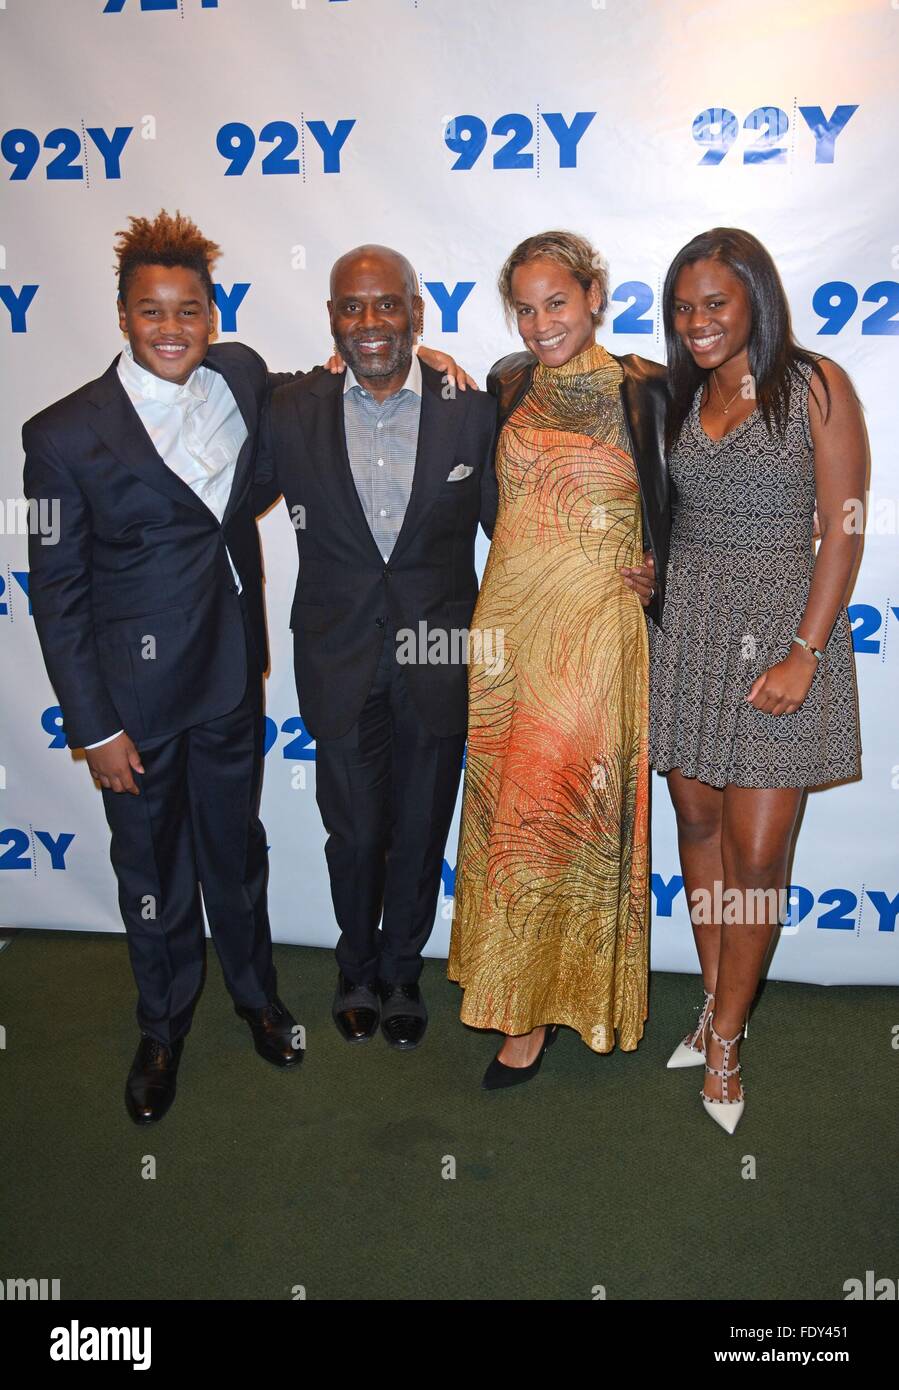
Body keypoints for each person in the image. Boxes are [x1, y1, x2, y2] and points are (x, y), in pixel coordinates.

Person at [22, 212, 470, 1123]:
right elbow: (54, 593)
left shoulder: (241, 378)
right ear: (120, 316)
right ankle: (162, 1025)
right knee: (151, 868)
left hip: (229, 678)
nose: (173, 327)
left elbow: (345, 375)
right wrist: (94, 725)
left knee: (237, 855)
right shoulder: (61, 435)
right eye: (152, 312)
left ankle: (259, 999)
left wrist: (442, 366)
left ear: (213, 316)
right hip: (133, 701)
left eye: (189, 309)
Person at [650, 227, 864, 1133]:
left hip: (782, 633)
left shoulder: (813, 384)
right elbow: (539, 360)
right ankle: (710, 996)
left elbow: (844, 524)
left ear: (755, 303)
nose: (696, 322)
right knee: (695, 823)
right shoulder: (672, 391)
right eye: (682, 307)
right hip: (689, 629)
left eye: (715, 304)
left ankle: (729, 1038)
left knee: (760, 855)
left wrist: (803, 653)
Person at [262, 245, 498, 1052]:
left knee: (422, 824)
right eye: (351, 307)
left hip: (438, 652)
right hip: (337, 655)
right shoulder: (290, 408)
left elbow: (513, 527)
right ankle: (354, 966)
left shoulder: (473, 408)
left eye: (386, 305)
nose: (370, 324)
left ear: (415, 313)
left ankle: (400, 973)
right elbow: (214, 373)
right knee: (355, 831)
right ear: (332, 318)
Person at [448, 230, 666, 1089]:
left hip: (595, 630)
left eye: (558, 303)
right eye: (526, 308)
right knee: (510, 820)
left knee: (568, 814)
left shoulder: (646, 387)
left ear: (594, 295)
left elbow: (695, 493)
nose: (542, 323)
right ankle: (519, 1004)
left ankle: (573, 998)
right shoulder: (506, 382)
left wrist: (663, 571)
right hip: (505, 626)